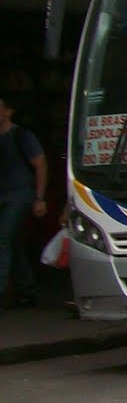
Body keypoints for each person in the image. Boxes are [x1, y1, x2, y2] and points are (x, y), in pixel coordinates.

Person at [0, 96, 48, 308]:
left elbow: (40, 164)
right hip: (4, 196)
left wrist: (39, 198)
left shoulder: (21, 135)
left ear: (8, 112)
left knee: (2, 240)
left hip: (19, 196)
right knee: (13, 243)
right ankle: (26, 290)